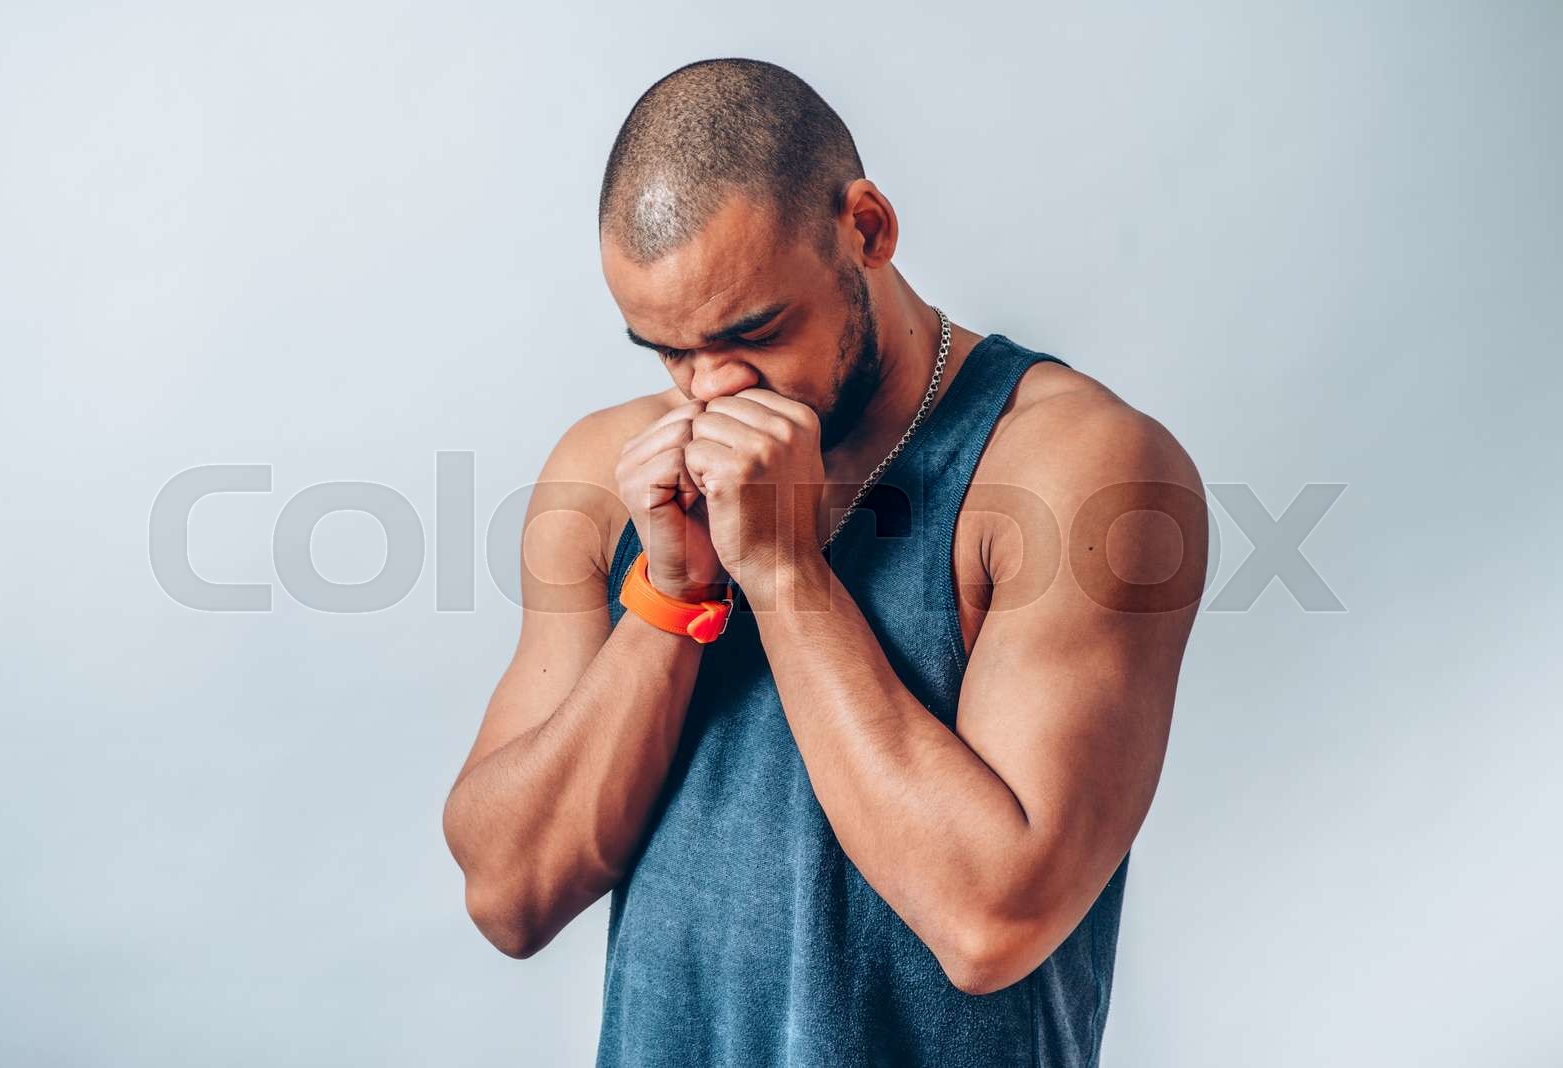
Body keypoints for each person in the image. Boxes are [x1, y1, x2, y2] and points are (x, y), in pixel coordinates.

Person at [442, 56, 1209, 1067]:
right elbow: (509, 894)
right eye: (666, 352)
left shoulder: (1081, 471)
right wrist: (672, 596)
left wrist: (784, 573)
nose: (709, 392)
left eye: (751, 331)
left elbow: (993, 923)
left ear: (866, 229)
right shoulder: (608, 472)